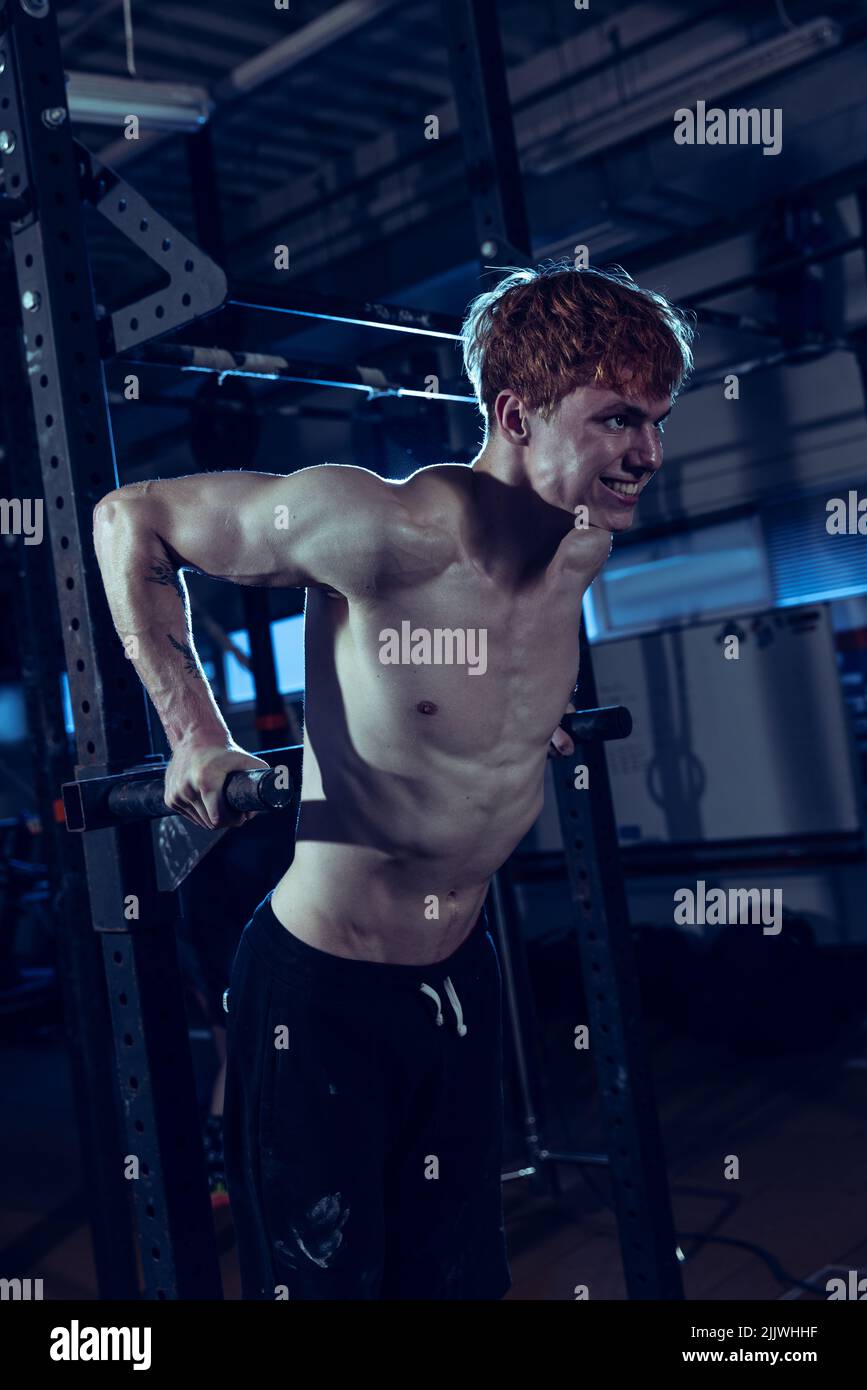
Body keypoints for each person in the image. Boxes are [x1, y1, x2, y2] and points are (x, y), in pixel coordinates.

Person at [92, 260, 694, 1300]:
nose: (647, 453)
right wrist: (196, 735)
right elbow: (126, 520)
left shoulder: (582, 547)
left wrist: (522, 723)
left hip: (458, 975)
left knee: (462, 1283)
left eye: (656, 422)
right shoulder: (382, 531)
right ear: (514, 413)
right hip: (323, 988)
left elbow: (475, 680)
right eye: (616, 421)